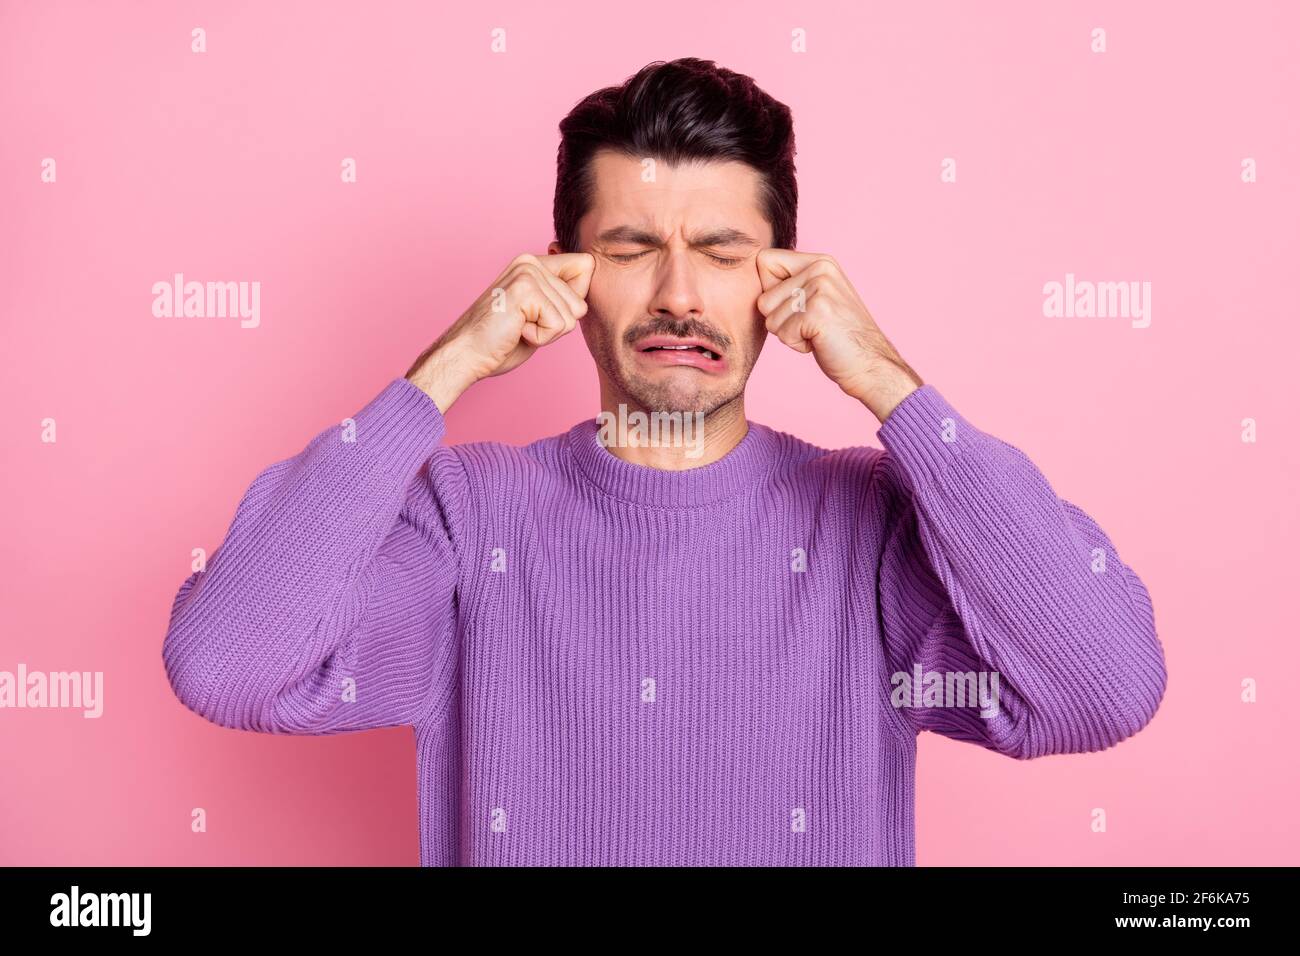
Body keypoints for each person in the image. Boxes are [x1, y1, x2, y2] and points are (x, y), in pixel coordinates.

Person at [162, 57, 1166, 866]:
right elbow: (228, 662)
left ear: (786, 276)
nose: (680, 293)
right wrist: (445, 368)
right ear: (565, 277)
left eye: (723, 251)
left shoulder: (871, 524)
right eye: (635, 246)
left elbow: (1104, 685)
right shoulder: (466, 522)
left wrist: (895, 392)